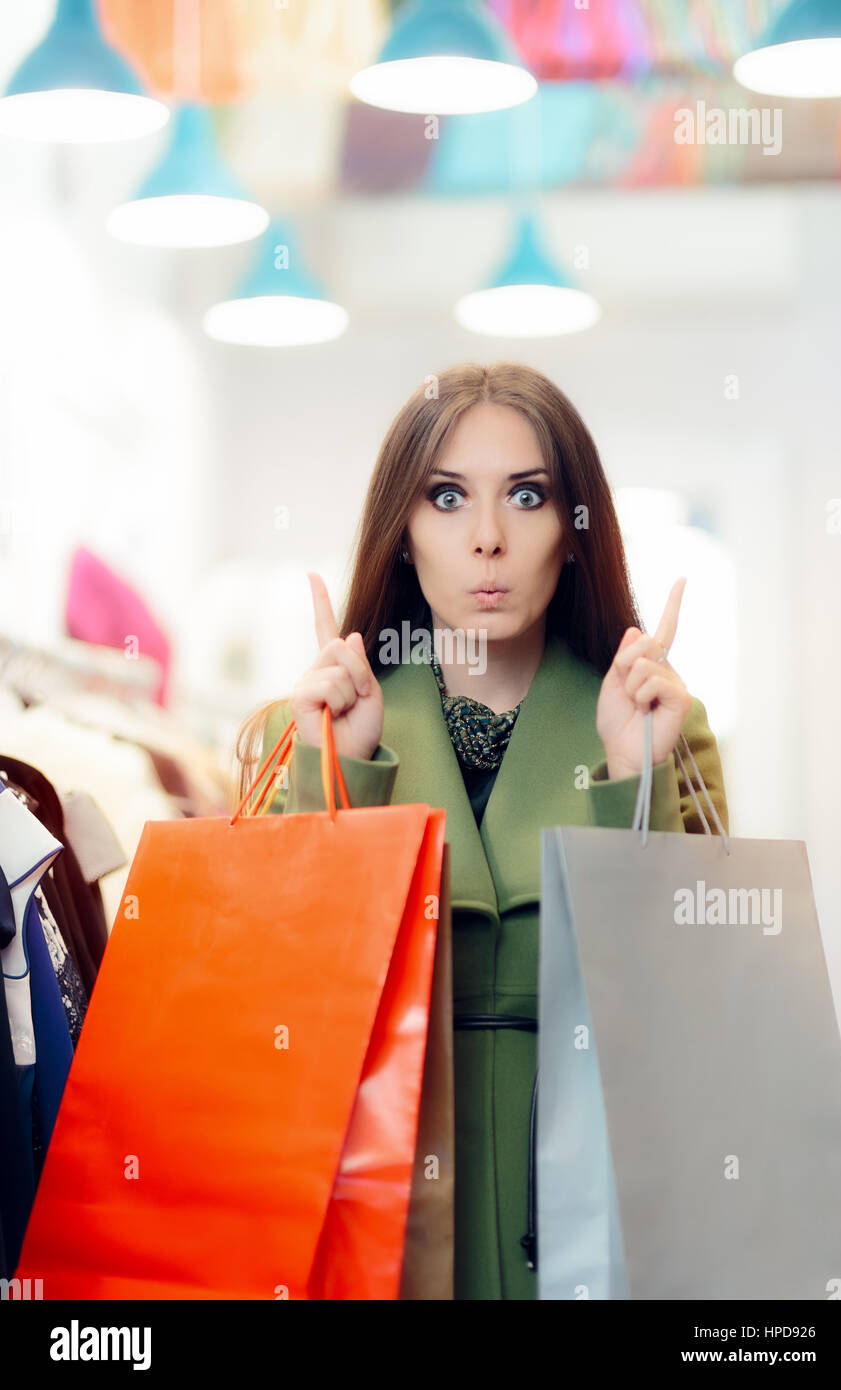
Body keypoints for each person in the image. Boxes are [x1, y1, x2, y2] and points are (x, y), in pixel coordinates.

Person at [235, 360, 729, 1300]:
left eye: (529, 497)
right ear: (403, 531)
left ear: (576, 533)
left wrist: (635, 780)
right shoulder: (295, 733)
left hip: (598, 1239)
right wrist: (334, 774)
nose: (488, 540)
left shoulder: (665, 730)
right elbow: (273, 1028)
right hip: (375, 1238)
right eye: (448, 497)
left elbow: (692, 1030)